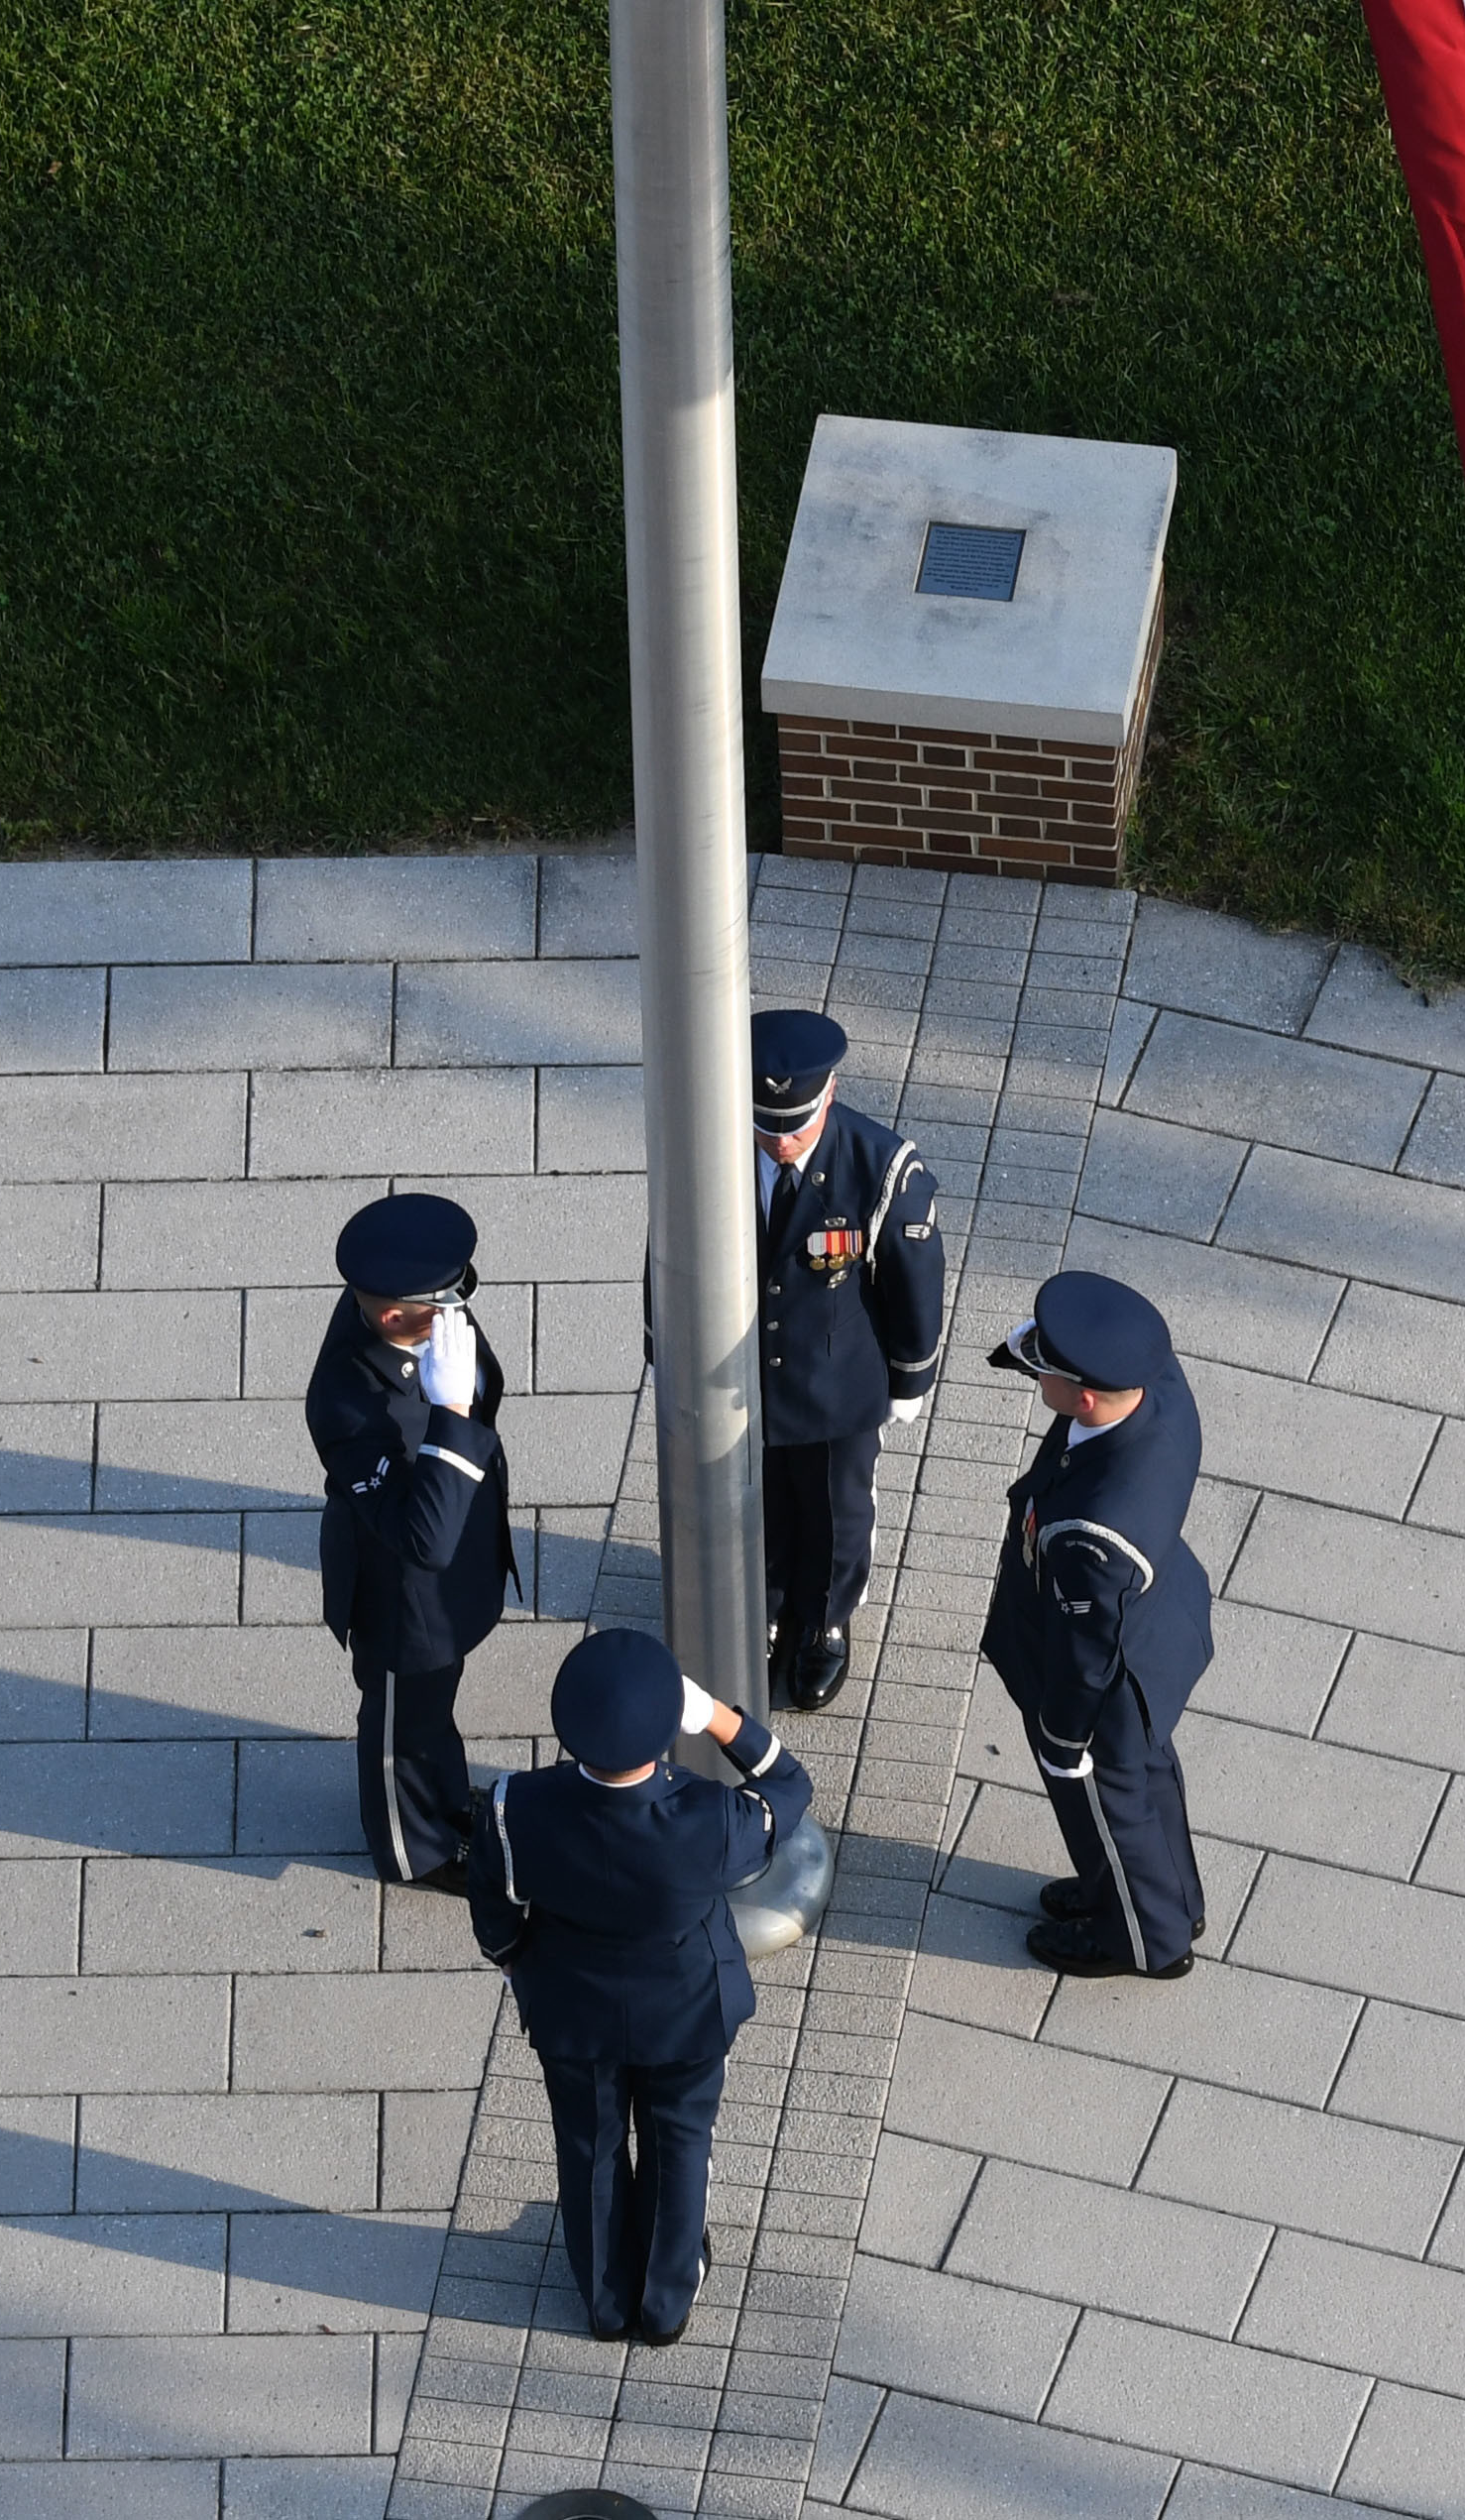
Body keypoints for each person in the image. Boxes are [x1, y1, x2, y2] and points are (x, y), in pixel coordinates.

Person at [471, 1624, 810, 2346]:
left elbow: (495, 1917)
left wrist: (522, 1967)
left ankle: (603, 2299)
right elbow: (789, 1785)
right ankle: (663, 2305)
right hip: (687, 2014)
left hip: (571, 2011)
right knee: (679, 2142)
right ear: (664, 1731)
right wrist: (716, 1716)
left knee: (588, 2146)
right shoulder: (714, 1820)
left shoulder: (511, 1806)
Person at [980, 1269, 1210, 1980]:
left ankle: (1146, 1942)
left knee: (1111, 1807)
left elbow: (1085, 1652)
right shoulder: (1151, 1386)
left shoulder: (1093, 1532)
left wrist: (1060, 1738)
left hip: (1106, 1684)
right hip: (1154, 1628)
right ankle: (1166, 1900)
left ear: (1083, 1396)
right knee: (1146, 1785)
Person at [307, 1190, 513, 1891]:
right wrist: (450, 1411)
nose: (457, 1311)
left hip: (455, 1568)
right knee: (402, 1727)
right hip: (403, 1603)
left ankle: (445, 1799)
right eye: (442, 1304)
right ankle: (413, 1850)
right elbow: (419, 1538)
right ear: (393, 1314)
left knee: (432, 1711)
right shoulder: (346, 1402)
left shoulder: (423, 1314)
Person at [743, 1005, 947, 1712]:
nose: (778, 1142)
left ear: (827, 1094)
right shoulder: (712, 1146)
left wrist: (909, 1377)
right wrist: (663, 1344)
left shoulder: (879, 1164)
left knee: (835, 1509)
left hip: (837, 1382)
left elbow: (911, 1278)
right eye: (765, 1125)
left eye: (794, 1125)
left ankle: (824, 1619)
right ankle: (765, 1607)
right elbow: (669, 1246)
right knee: (759, 1500)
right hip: (745, 1379)